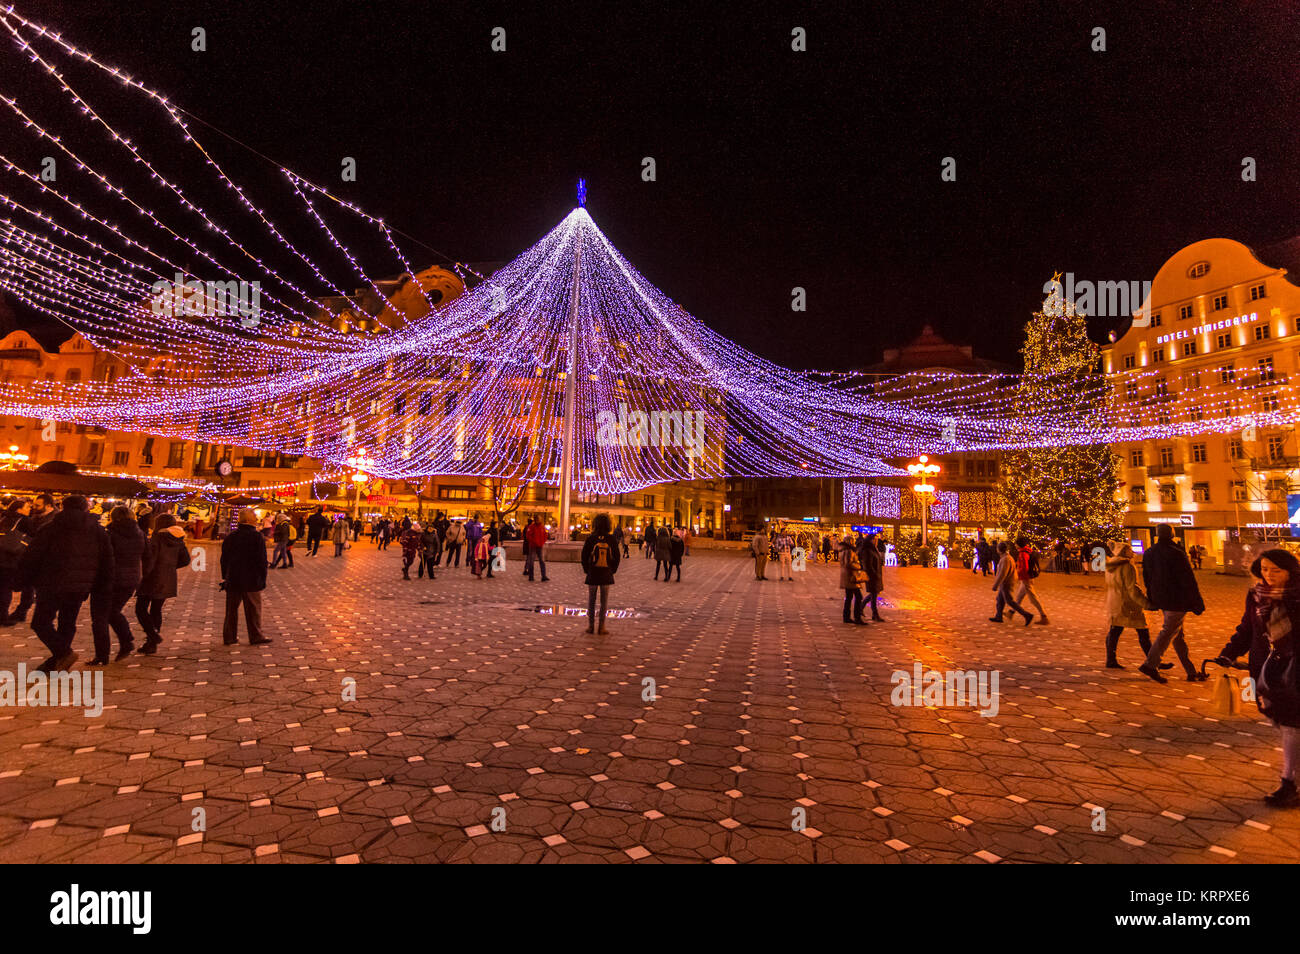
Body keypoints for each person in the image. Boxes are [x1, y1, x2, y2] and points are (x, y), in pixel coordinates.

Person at [1215, 549, 1300, 807]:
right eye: (1264, 569)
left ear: (1290, 571)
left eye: (1276, 570)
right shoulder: (1255, 596)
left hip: (1296, 670)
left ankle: (1289, 783)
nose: (1269, 575)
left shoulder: (1297, 597)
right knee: (1281, 724)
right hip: (1267, 670)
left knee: (1291, 727)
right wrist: (1228, 653)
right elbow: (1247, 629)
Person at [18, 495, 112, 673]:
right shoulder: (98, 531)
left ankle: (63, 653)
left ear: (62, 506)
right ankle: (59, 661)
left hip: (52, 583)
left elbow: (33, 556)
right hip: (80, 587)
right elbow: (107, 561)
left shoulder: (52, 527)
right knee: (67, 622)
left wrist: (23, 579)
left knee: (41, 623)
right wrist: (102, 585)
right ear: (86, 508)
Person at [1138, 524, 1205, 683]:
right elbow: (1188, 580)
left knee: (1177, 635)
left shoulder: (1149, 552)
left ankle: (1191, 671)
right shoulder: (1176, 553)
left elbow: (1146, 577)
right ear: (1172, 534)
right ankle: (1150, 665)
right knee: (1168, 631)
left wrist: (1152, 597)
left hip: (1161, 598)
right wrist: (1197, 602)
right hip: (1177, 599)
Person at [90, 506, 146, 665]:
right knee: (113, 612)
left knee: (100, 617)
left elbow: (100, 557)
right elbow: (146, 556)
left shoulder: (109, 534)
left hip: (108, 580)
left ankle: (102, 655)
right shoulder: (140, 534)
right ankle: (126, 641)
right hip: (130, 580)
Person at [135, 513, 191, 655]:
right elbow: (185, 560)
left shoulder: (157, 537)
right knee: (156, 610)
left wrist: (142, 576)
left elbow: (150, 560)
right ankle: (151, 643)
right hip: (167, 579)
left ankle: (152, 636)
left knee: (140, 609)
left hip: (152, 578)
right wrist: (170, 567)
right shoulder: (178, 538)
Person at [1103, 544, 1163, 669]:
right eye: (1129, 549)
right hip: (1128, 604)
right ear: (1123, 552)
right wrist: (1147, 604)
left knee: (1114, 631)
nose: (1132, 551)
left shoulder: (1111, 566)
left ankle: (1111, 659)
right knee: (1143, 632)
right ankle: (1153, 661)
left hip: (1114, 602)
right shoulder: (1127, 566)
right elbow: (1132, 589)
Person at [220, 508, 272, 646]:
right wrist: (263, 577)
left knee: (231, 610)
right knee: (253, 609)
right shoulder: (256, 536)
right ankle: (255, 635)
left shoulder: (231, 536)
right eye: (254, 516)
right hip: (251, 579)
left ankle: (229, 636)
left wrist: (225, 576)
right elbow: (261, 559)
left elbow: (224, 558)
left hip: (233, 578)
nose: (256, 518)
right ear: (249, 520)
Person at [580, 513, 621, 637]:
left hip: (593, 573)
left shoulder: (591, 538)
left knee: (591, 600)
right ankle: (602, 627)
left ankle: (591, 626)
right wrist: (612, 570)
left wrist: (587, 569)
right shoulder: (611, 539)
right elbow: (617, 556)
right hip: (606, 573)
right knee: (604, 601)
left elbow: (584, 555)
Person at [990, 541, 1034, 624]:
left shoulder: (1005, 559)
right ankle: (998, 616)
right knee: (1000, 599)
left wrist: (996, 585)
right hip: (1007, 581)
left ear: (999, 550)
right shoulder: (1006, 557)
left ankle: (1027, 615)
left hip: (1007, 582)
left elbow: (1002, 574)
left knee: (1009, 601)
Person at [0, 500, 29, 624]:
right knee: (6, 589)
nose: (29, 509)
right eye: (26, 507)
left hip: (1, 557)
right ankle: (3, 616)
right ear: (19, 509)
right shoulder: (24, 521)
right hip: (10, 560)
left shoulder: (3, 518)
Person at [1013, 536, 1050, 624]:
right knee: (1019, 596)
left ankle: (1044, 616)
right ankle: (1011, 612)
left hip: (1026, 578)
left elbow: (1024, 568)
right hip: (1028, 577)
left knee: (1033, 598)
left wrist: (1018, 575)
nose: (1015, 545)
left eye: (1016, 543)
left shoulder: (1023, 554)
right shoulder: (1028, 551)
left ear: (1019, 544)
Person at [838, 536, 867, 625]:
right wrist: (859, 566)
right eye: (852, 540)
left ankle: (846, 617)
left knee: (849, 597)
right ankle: (857, 617)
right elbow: (849, 563)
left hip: (846, 576)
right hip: (851, 577)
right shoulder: (849, 551)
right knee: (858, 597)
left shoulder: (842, 550)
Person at [861, 532, 885, 621]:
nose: (876, 541)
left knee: (873, 594)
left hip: (876, 575)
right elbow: (868, 564)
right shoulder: (867, 550)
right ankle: (875, 614)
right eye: (874, 539)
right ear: (870, 540)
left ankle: (861, 608)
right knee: (874, 594)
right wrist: (873, 574)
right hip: (872, 575)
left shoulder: (873, 549)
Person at [525, 516, 549, 581]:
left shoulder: (542, 527)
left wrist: (542, 542)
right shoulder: (531, 527)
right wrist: (534, 542)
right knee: (531, 561)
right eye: (537, 519)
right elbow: (528, 536)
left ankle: (543, 576)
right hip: (533, 546)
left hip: (540, 546)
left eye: (539, 519)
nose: (538, 520)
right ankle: (531, 576)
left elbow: (545, 535)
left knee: (542, 561)